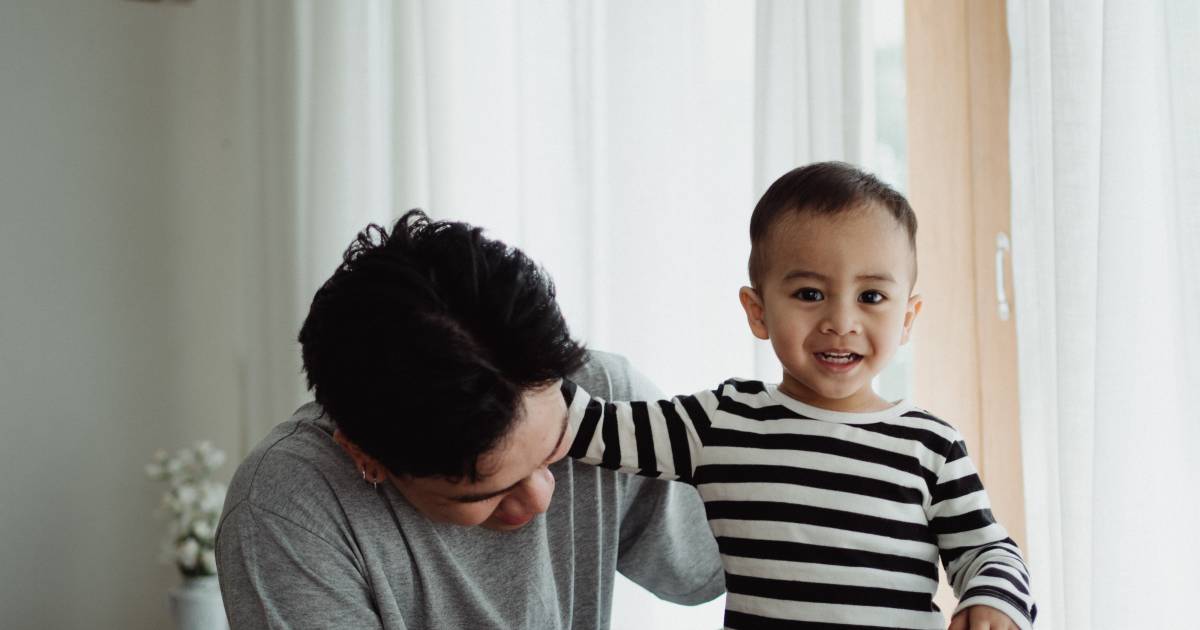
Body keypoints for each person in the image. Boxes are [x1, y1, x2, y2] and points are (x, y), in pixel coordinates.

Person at [563, 162, 1037, 630]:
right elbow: (591, 426)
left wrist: (993, 599)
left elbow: (985, 549)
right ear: (758, 312)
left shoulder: (930, 446)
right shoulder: (723, 422)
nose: (841, 321)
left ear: (907, 318)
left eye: (871, 297)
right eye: (810, 294)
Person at [215, 211, 724, 629]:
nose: (540, 498)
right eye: (483, 495)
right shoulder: (288, 507)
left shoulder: (603, 399)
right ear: (363, 454)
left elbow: (716, 570)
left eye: (554, 449)